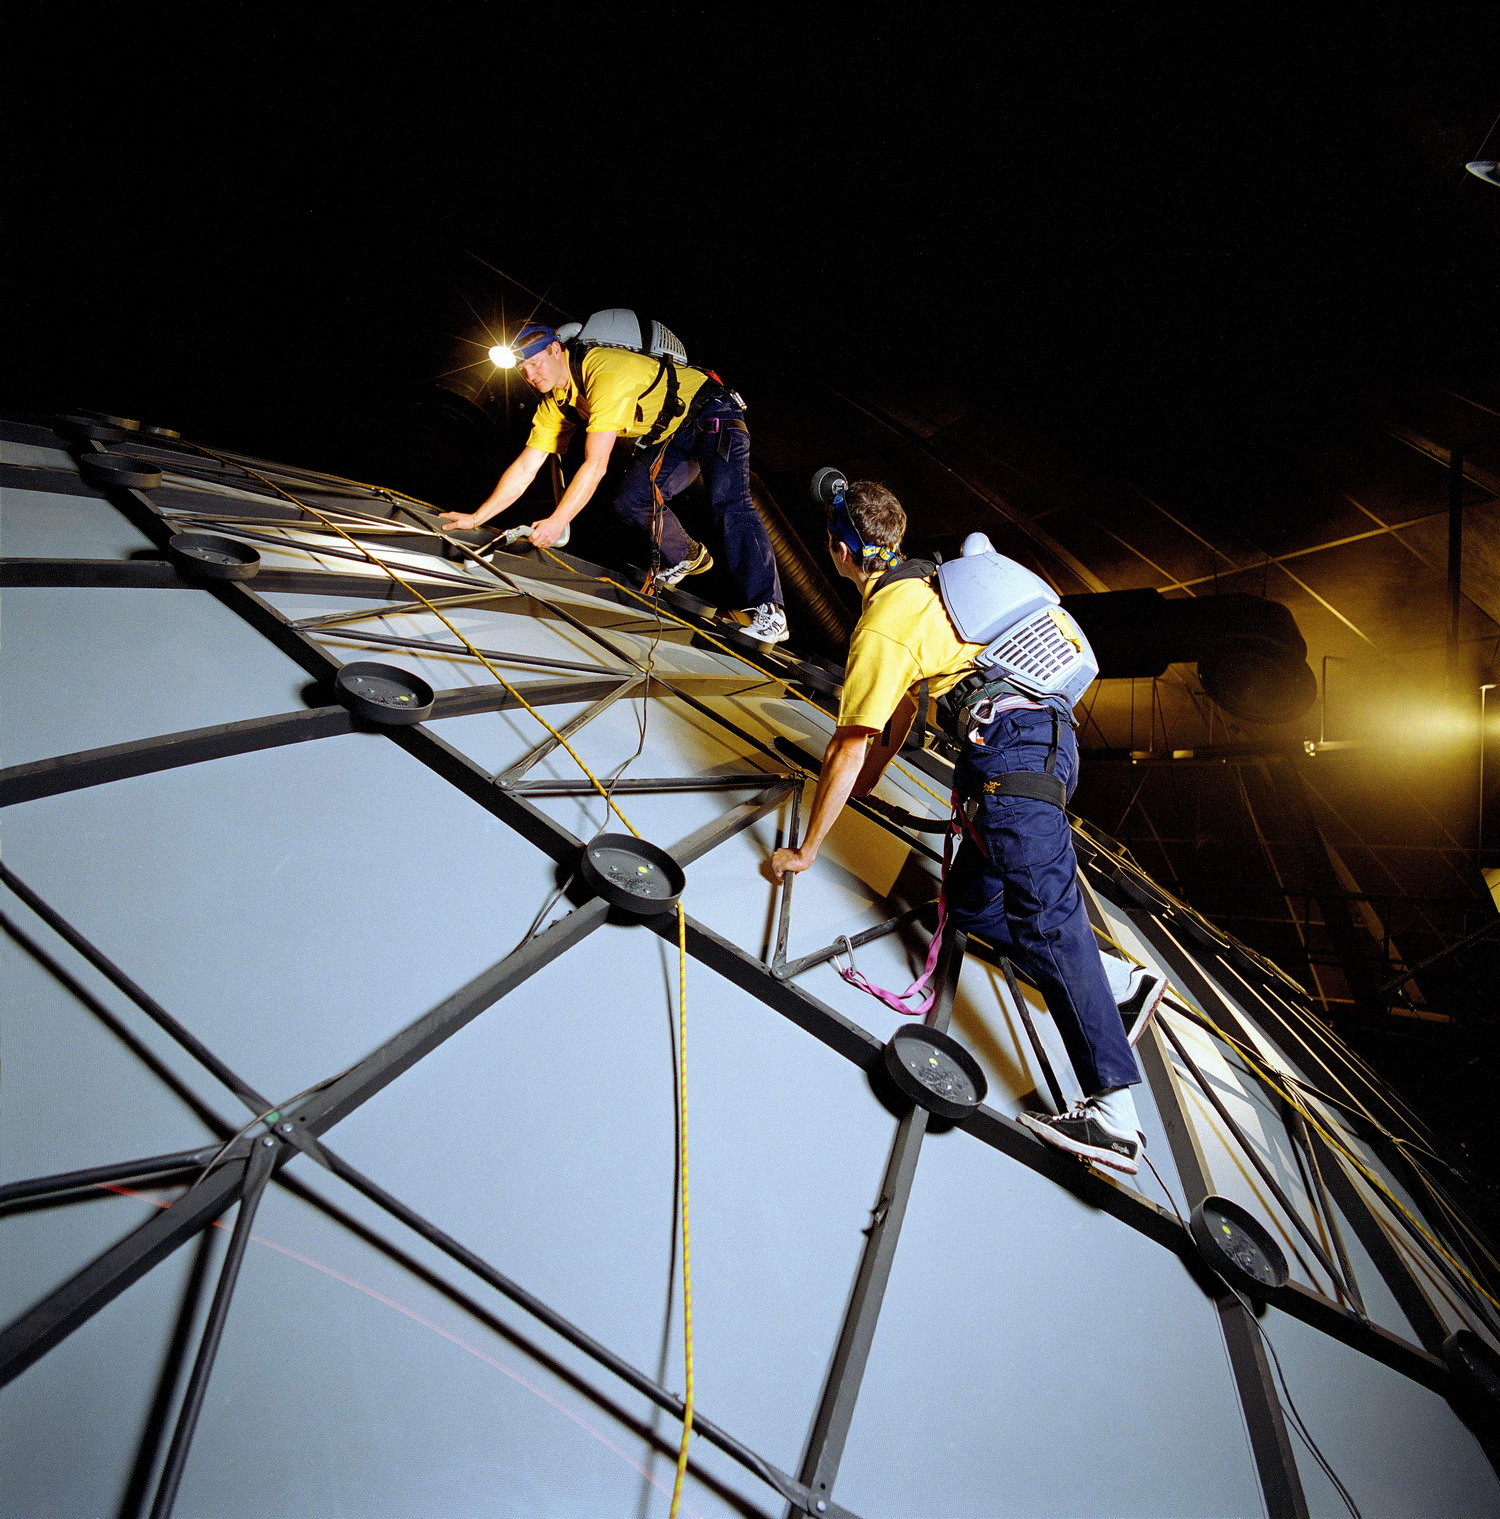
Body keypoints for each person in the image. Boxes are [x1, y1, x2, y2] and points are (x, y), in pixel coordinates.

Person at [768, 481, 1156, 1173]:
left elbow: (849, 742)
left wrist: (808, 847)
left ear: (839, 551)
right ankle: (1116, 983)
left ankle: (1115, 1113)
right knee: (974, 903)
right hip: (1023, 749)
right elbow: (896, 724)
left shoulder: (887, 620)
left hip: (1015, 754)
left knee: (1045, 915)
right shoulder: (929, 586)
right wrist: (866, 785)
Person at [439, 324, 788, 643]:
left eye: (536, 364)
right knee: (631, 501)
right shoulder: (558, 404)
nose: (531, 375)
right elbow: (527, 465)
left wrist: (558, 521)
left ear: (557, 351)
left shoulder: (603, 372)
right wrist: (476, 518)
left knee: (729, 502)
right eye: (523, 370)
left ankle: (771, 612)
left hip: (714, 414)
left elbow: (596, 464)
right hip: (673, 436)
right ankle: (689, 556)